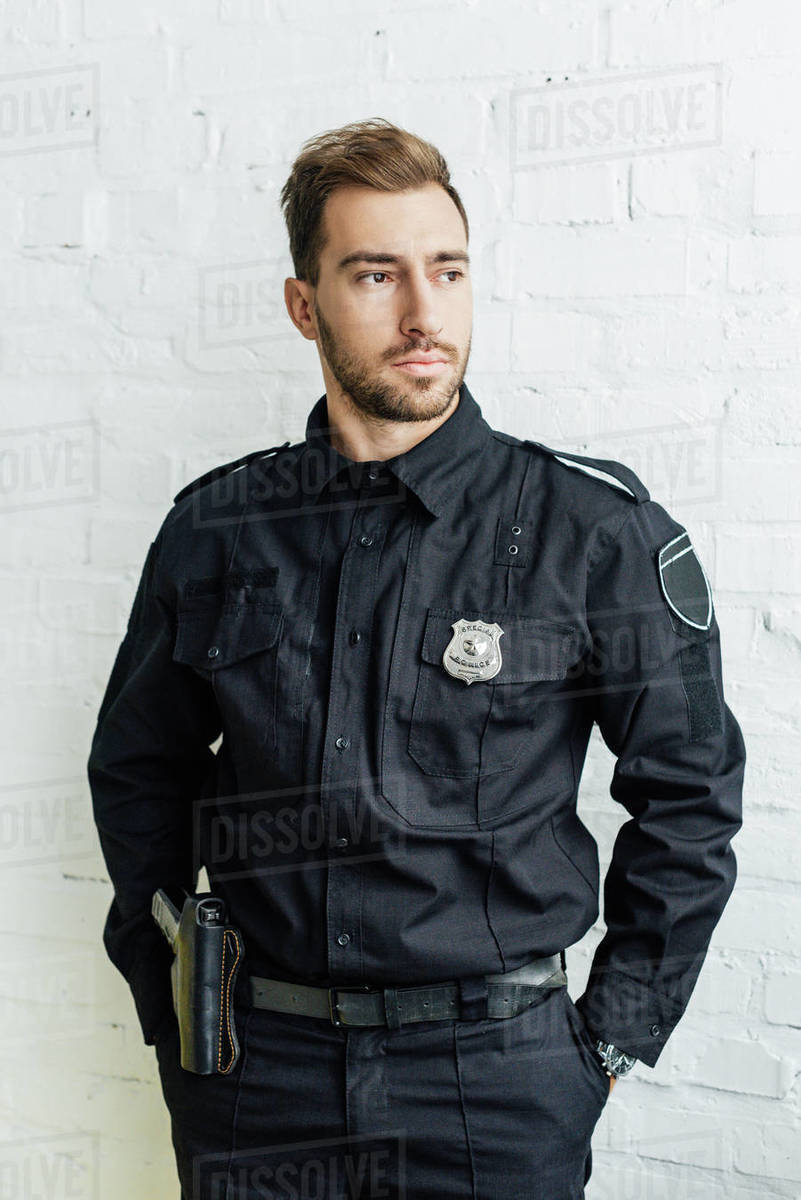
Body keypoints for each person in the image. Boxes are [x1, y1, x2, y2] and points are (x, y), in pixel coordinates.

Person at [88, 117, 746, 1200]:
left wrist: (610, 1046)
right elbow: (138, 773)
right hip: (259, 1079)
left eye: (446, 270)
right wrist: (175, 1021)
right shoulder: (215, 530)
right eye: (375, 274)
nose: (423, 312)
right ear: (305, 304)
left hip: (499, 1085)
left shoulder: (593, 532)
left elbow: (690, 799)